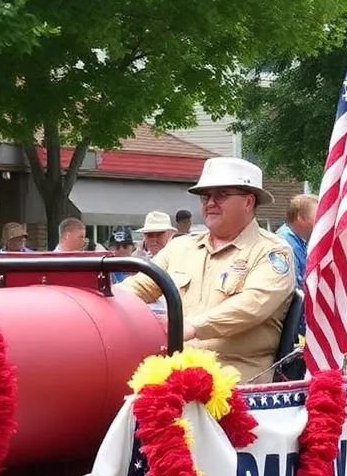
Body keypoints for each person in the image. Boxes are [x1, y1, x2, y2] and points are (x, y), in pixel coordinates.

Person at [116, 158, 295, 382]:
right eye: (205, 196)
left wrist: (193, 326)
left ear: (248, 201)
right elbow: (140, 285)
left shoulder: (272, 252)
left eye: (221, 195)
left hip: (236, 383)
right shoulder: (181, 247)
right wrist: (103, 300)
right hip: (174, 374)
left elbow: (253, 304)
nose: (210, 203)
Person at [276, 194, 318, 291]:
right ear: (301, 218)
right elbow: (294, 291)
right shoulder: (284, 244)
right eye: (318, 216)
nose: (321, 222)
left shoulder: (300, 241)